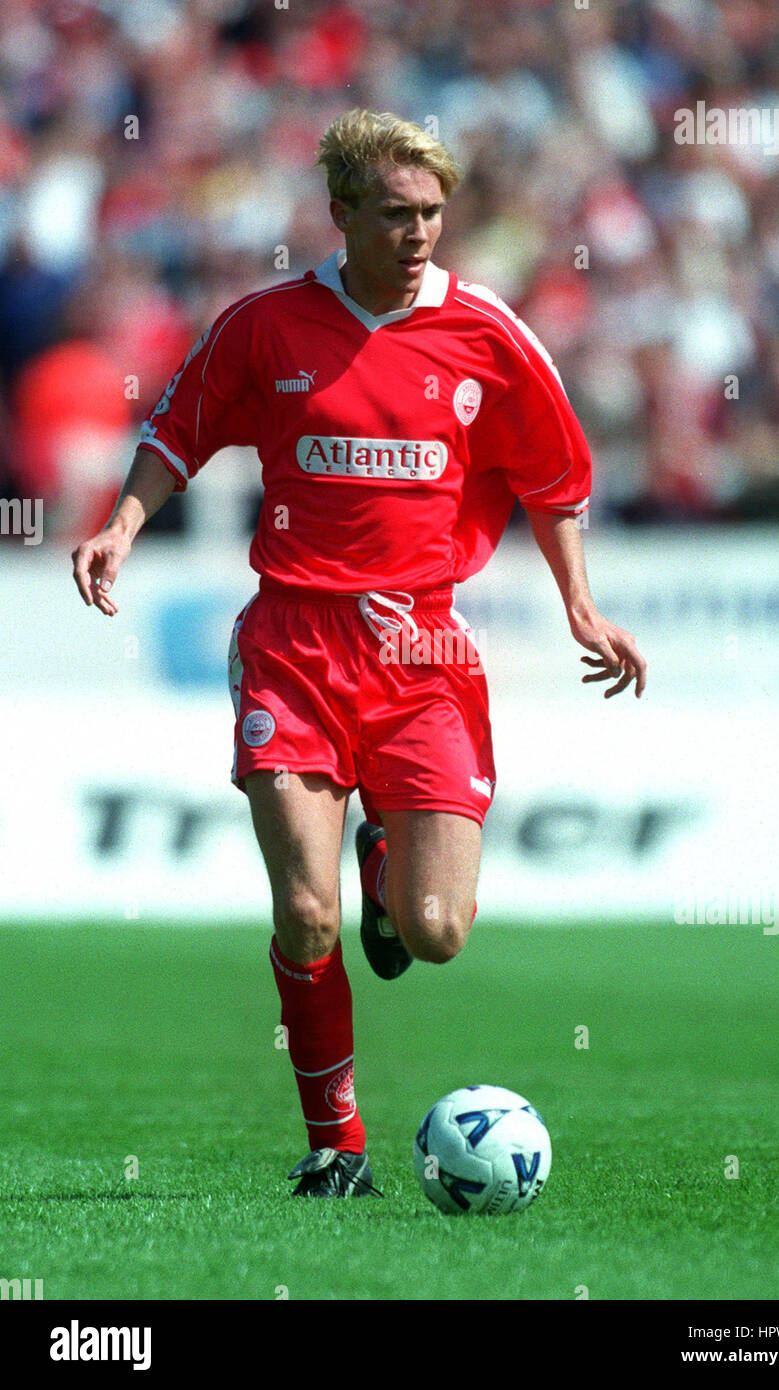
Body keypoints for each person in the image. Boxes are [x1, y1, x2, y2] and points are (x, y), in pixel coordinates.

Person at [72, 110, 646, 1198]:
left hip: (422, 649)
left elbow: (553, 474)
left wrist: (580, 605)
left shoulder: (486, 332)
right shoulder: (266, 327)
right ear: (339, 215)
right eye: (394, 213)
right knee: (303, 910)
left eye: (432, 212)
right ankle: (336, 1140)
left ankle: (391, 866)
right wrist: (122, 525)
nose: (419, 231)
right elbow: (176, 429)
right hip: (292, 640)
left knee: (433, 933)